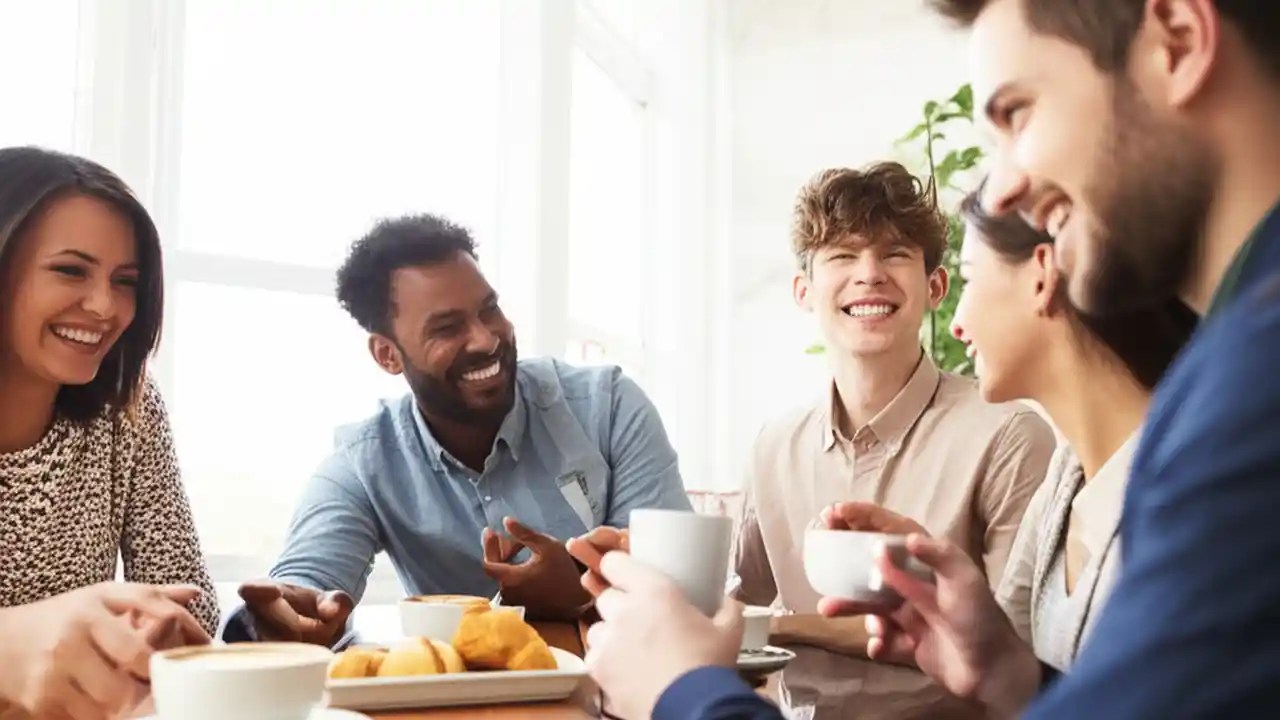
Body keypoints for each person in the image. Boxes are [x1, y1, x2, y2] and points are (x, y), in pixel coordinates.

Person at [817, 1, 1280, 718]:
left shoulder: (1254, 386)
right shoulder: (1223, 368)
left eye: (1017, 114)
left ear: (1180, 43)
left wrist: (685, 687)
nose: (1003, 189)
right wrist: (1014, 674)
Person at [228, 213, 691, 646]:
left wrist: (581, 592)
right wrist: (286, 619)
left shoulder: (607, 406)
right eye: (447, 328)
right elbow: (301, 588)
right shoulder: (365, 463)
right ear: (388, 355)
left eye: (489, 310)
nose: (487, 339)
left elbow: (681, 583)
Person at [728, 163, 1056, 719]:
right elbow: (734, 612)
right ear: (804, 291)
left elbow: (1015, 650)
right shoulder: (773, 445)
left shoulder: (1007, 434)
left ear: (936, 287)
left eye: (895, 254)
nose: (869, 274)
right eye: (842, 256)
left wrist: (791, 627)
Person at [0, 146, 215, 717]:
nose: (105, 307)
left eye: (126, 281)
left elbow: (186, 607)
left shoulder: (129, 411)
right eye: (71, 270)